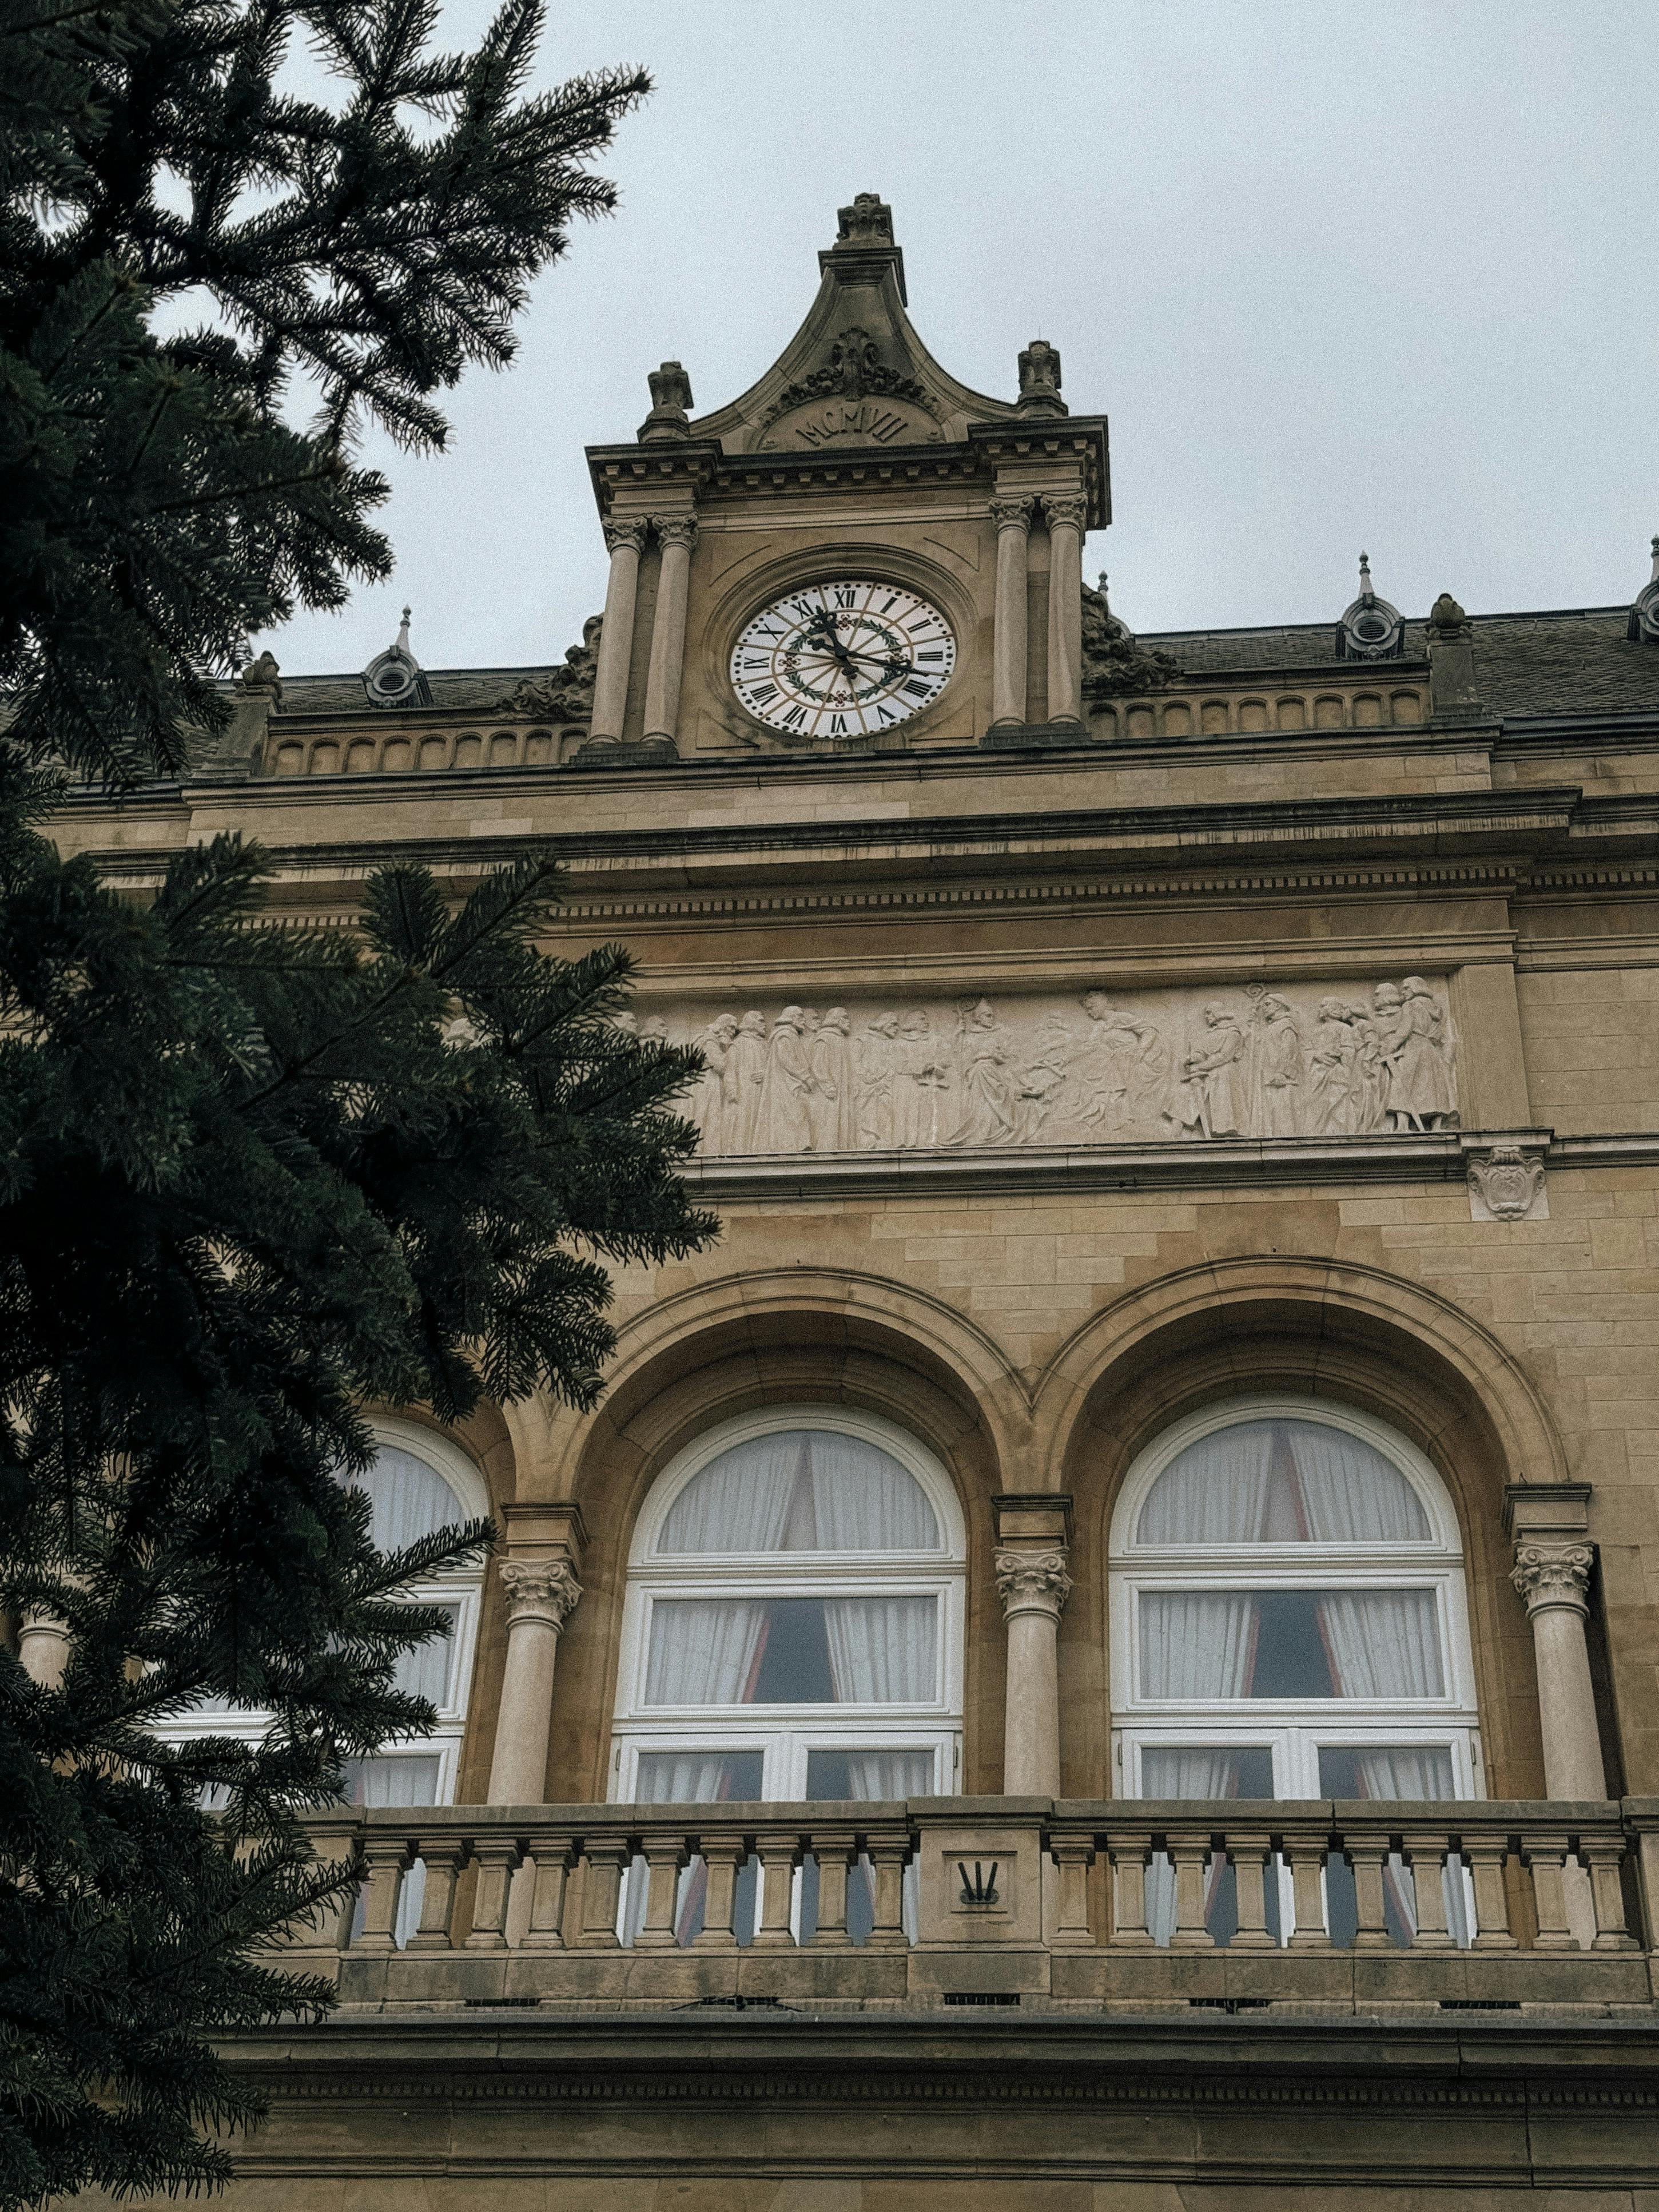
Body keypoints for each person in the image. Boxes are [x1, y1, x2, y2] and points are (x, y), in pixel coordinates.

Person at [1180, 1003, 1247, 1138]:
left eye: (1210, 1012)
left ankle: (1227, 1130)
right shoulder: (1210, 1034)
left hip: (1225, 1074)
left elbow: (1225, 1056)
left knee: (1223, 1101)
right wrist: (1193, 1058)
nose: (1207, 1016)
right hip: (1208, 1075)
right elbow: (1203, 1051)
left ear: (1218, 1013)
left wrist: (1199, 1067)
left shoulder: (1233, 1032)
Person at [689, 1014, 739, 1154]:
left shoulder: (710, 1041)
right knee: (708, 1114)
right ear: (722, 1027)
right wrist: (732, 1051)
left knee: (712, 1114)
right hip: (707, 1083)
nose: (733, 1032)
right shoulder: (708, 1041)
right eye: (731, 1027)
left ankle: (708, 1148)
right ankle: (703, 1149)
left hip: (710, 1082)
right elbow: (720, 1065)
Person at [809, 1007, 855, 1152]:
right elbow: (817, 1064)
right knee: (828, 1122)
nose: (849, 1022)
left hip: (842, 1090)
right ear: (837, 1020)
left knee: (842, 1120)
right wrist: (827, 1085)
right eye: (845, 1018)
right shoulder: (825, 1037)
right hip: (829, 1092)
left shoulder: (840, 1039)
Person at [729, 1010, 770, 1152]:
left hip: (764, 1091)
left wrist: (767, 1074)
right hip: (745, 1092)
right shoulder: (738, 1043)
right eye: (761, 1021)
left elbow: (773, 1066)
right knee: (743, 1122)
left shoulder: (765, 1044)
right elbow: (730, 1070)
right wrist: (732, 1092)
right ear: (751, 1023)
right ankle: (740, 1151)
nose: (765, 1024)